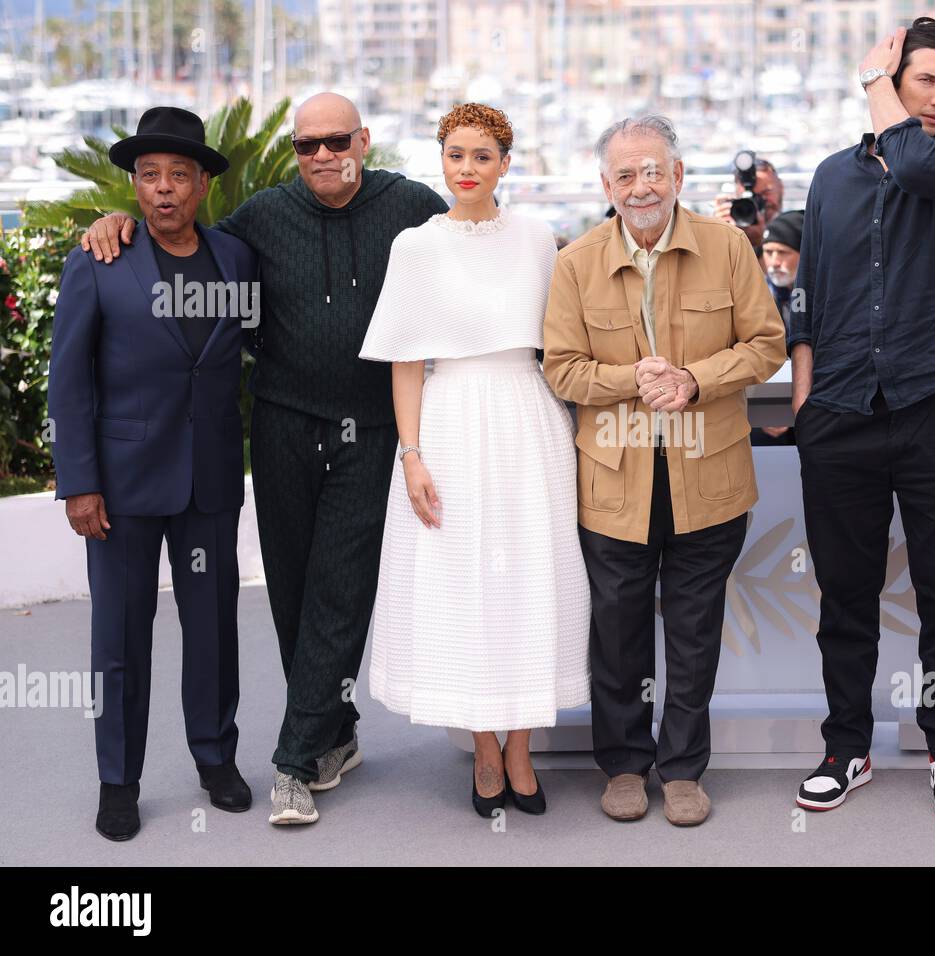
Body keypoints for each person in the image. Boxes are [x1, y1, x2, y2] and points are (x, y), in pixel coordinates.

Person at [80, 92, 451, 825]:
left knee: (314, 597)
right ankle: (317, 739)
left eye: (335, 141)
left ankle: (274, 761)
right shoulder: (229, 228)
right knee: (274, 596)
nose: (321, 155)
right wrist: (113, 221)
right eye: (306, 145)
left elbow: (471, 238)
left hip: (337, 439)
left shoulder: (403, 206)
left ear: (364, 140)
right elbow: (88, 357)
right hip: (251, 441)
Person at [543, 115, 786, 826]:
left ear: (678, 176)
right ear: (606, 186)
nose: (641, 186)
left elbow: (766, 344)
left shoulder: (727, 248)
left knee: (692, 630)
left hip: (708, 479)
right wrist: (632, 379)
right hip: (613, 481)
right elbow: (560, 367)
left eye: (653, 170)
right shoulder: (576, 262)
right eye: (625, 175)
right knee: (616, 633)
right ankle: (622, 766)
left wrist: (694, 378)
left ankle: (682, 769)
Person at [790, 18, 935, 819]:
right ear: (898, 81)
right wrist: (807, 395)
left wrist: (876, 84)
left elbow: (912, 158)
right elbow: (807, 289)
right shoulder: (831, 178)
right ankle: (846, 747)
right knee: (844, 594)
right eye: (926, 82)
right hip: (841, 411)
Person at [358, 103, 590, 817]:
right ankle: (483, 748)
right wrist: (412, 455)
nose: (467, 169)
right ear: (442, 159)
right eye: (456, 154)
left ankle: (521, 749)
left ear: (505, 164)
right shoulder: (416, 246)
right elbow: (403, 359)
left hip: (529, 419)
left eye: (482, 156)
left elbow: (566, 340)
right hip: (450, 422)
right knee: (462, 590)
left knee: (529, 583)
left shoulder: (538, 240)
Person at [49, 107, 259, 840]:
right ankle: (119, 780)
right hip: (121, 485)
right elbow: (67, 380)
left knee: (213, 631)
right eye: (147, 176)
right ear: (134, 184)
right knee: (119, 637)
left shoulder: (235, 261)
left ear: (203, 185)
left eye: (177, 175)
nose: (162, 189)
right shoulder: (99, 259)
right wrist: (78, 480)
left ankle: (215, 757)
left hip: (207, 482)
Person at [753, 209, 804, 446]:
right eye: (768, 252)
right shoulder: (752, 295)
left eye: (783, 253)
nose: (774, 262)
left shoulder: (823, 296)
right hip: (758, 410)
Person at [712, 156, 784, 253]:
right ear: (736, 196)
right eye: (749, 198)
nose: (758, 203)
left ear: (781, 188)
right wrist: (716, 232)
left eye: (766, 192)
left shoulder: (796, 229)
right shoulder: (728, 225)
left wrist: (761, 241)